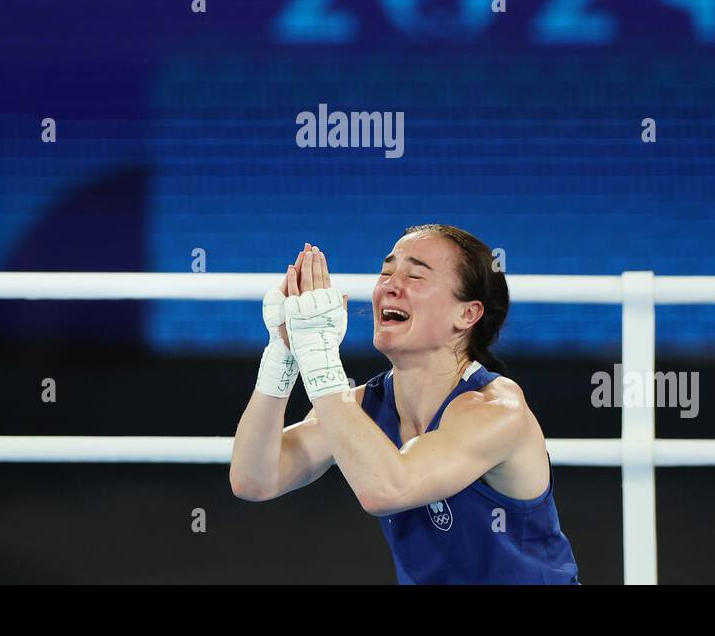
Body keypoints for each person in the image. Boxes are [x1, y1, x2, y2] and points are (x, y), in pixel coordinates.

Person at [230, 225, 581, 584]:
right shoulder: (364, 404)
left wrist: (319, 356)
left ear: (467, 314)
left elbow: (388, 489)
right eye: (385, 272)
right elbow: (255, 479)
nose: (390, 286)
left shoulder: (497, 411)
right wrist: (284, 354)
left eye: (415, 275)